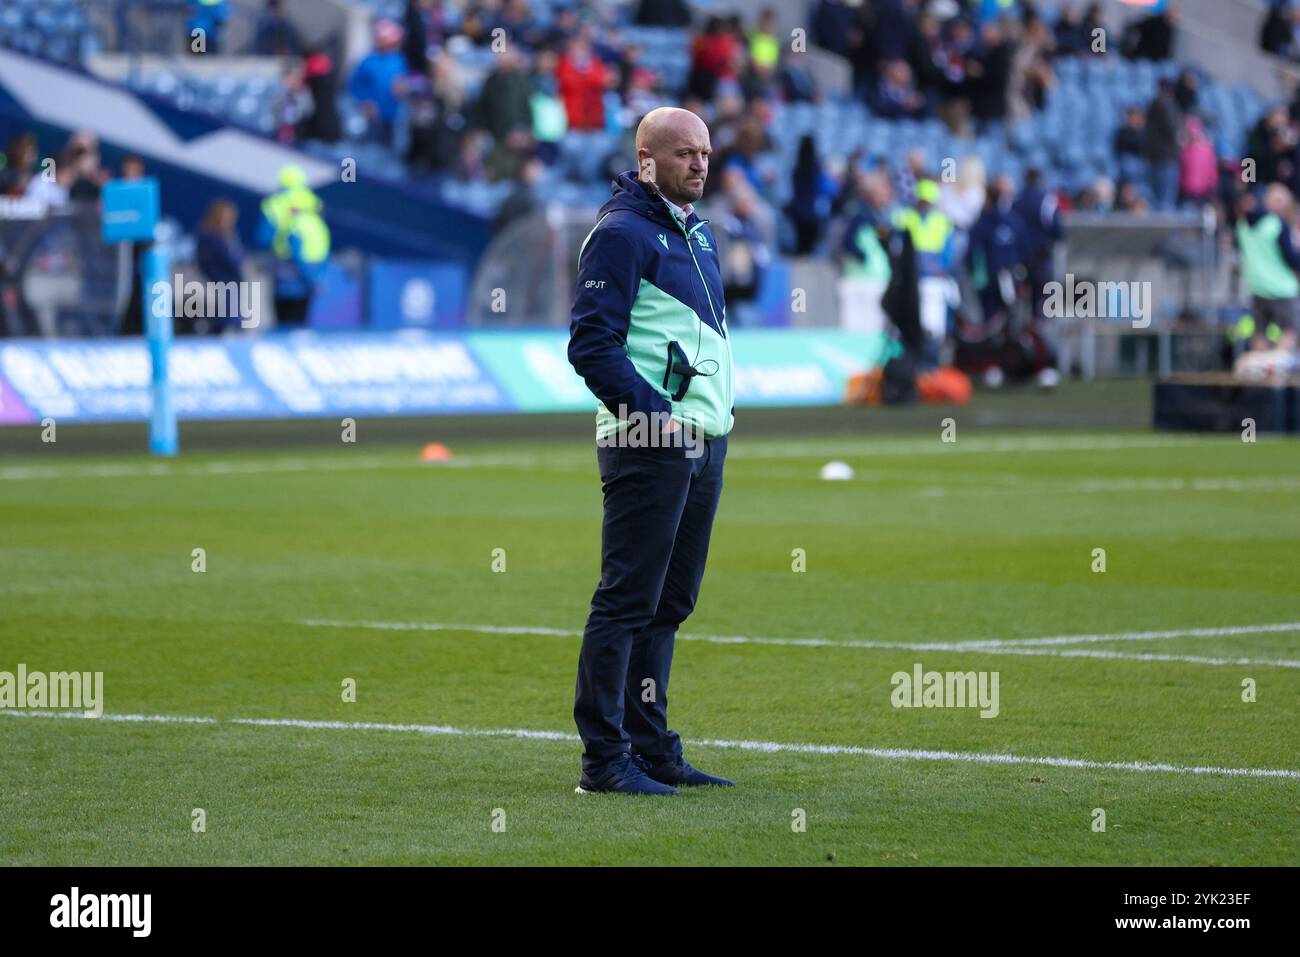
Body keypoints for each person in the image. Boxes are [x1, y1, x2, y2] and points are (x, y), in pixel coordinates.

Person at [567, 107, 735, 796]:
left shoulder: (694, 232)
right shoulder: (622, 233)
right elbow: (590, 343)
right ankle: (604, 761)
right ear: (646, 161)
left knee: (669, 602)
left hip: (703, 438)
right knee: (626, 601)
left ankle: (649, 744)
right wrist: (654, 417)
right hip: (651, 441)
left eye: (705, 151)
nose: (700, 163)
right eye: (685, 153)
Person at [257, 165, 330, 328]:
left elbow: (263, 238)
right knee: (301, 317)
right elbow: (322, 240)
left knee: (283, 317)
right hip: (313, 266)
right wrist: (317, 277)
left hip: (284, 264)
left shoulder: (274, 203)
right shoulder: (313, 202)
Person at [1236, 184, 1300, 336]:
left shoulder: (1242, 225)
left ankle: (1265, 359)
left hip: (1257, 288)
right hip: (1282, 289)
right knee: (1291, 333)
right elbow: (1292, 259)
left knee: (1260, 334)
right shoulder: (1276, 225)